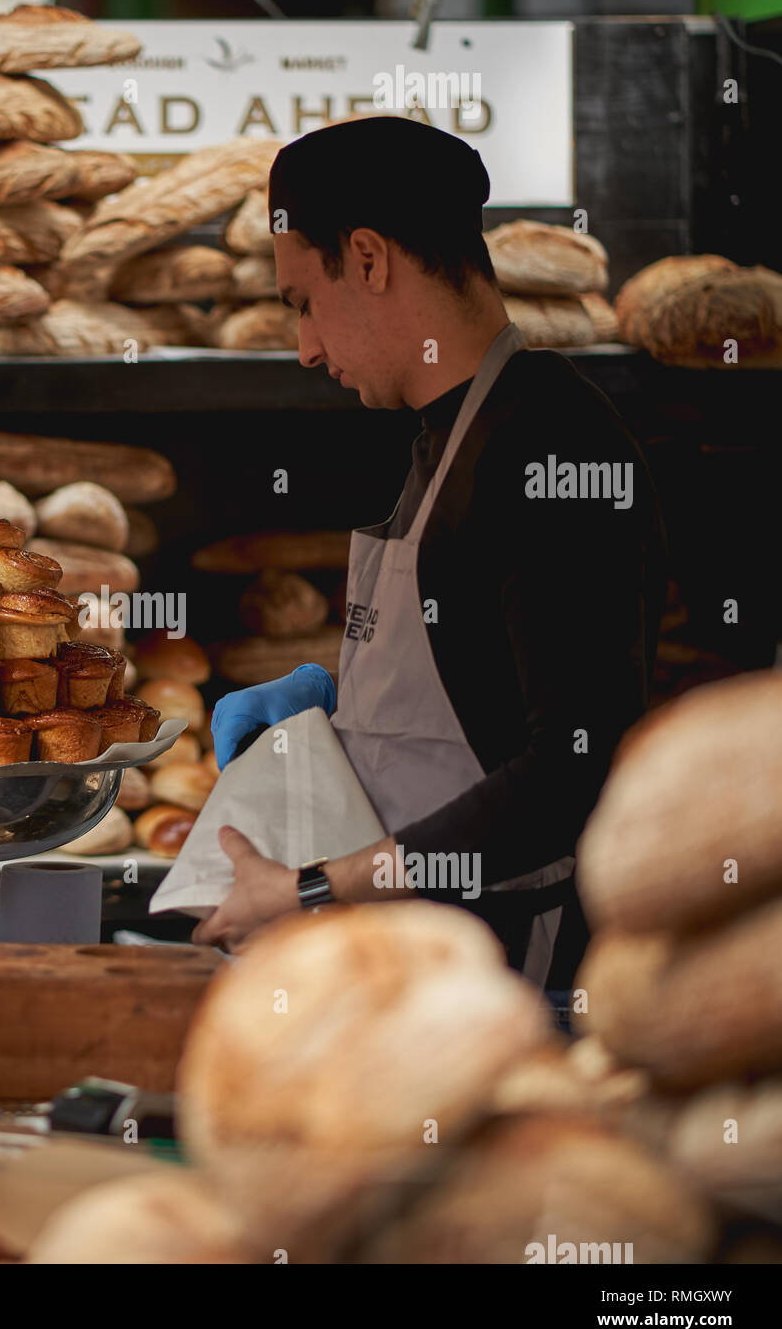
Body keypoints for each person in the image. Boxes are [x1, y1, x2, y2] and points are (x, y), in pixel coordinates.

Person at [194, 116, 665, 988]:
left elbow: (574, 767)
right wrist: (331, 720)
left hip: (514, 973)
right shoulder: (447, 434)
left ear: (368, 259)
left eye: (302, 302)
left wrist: (315, 888)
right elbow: (475, 694)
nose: (304, 348)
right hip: (422, 952)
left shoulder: (554, 443)